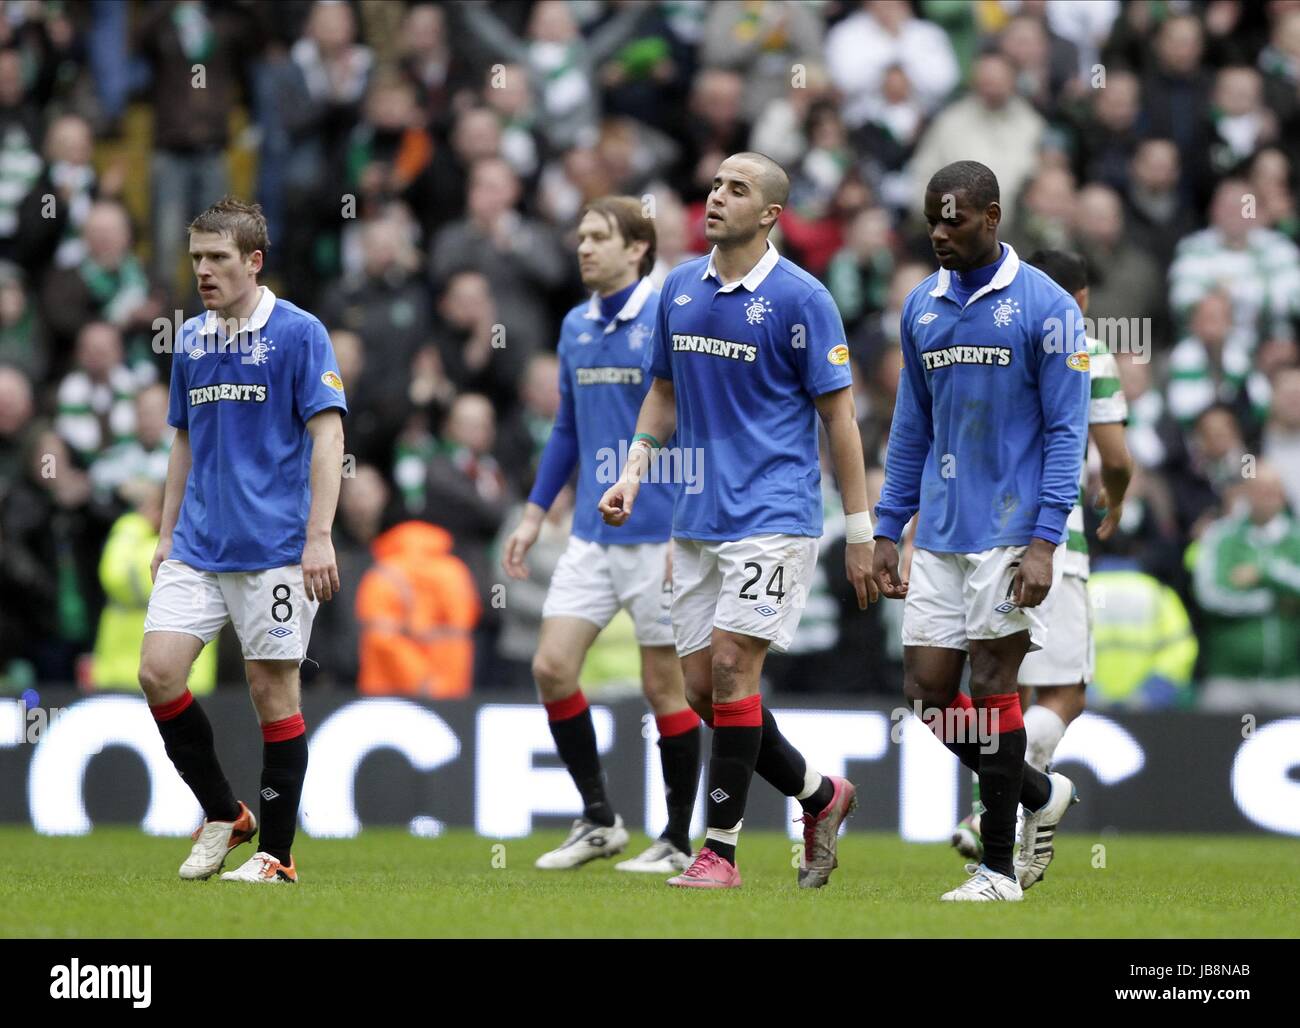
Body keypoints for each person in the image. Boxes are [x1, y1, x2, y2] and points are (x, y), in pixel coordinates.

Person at [599, 153, 878, 889]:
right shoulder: (681, 290)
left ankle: (718, 851)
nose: (717, 197)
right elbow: (663, 390)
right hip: (697, 516)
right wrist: (634, 471)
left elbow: (839, 419)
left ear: (770, 216)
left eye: (737, 189)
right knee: (700, 690)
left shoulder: (802, 299)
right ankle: (821, 794)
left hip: (776, 511)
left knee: (730, 668)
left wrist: (858, 529)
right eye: (716, 184)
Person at [871, 161, 1089, 901]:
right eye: (932, 218)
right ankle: (1033, 789)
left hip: (1010, 530)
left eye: (954, 219)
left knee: (994, 682)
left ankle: (999, 869)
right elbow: (911, 427)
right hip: (939, 530)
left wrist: (1044, 540)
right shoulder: (921, 308)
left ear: (992, 219)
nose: (939, 232)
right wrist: (885, 527)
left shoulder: (1049, 308)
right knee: (928, 693)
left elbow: (1068, 432)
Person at [137, 198, 347, 885]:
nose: (203, 270)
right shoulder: (192, 339)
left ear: (254, 261)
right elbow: (184, 440)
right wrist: (166, 534)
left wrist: (319, 535)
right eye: (196, 257)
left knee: (270, 691)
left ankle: (276, 856)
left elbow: (327, 435)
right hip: (198, 544)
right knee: (158, 672)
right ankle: (224, 812)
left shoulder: (300, 333)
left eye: (218, 257)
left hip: (277, 549)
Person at [502, 196, 701, 874]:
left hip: (660, 533)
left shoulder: (669, 316)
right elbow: (568, 429)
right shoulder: (574, 326)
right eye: (580, 236)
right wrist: (534, 513)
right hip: (590, 531)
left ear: (638, 249)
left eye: (598, 237)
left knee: (663, 688)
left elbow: (695, 424)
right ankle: (599, 819)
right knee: (551, 667)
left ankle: (676, 838)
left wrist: (689, 524)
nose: (583, 247)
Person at [950, 249, 1133, 863]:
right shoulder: (1087, 347)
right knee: (1065, 692)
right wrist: (1117, 499)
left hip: (981, 534)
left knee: (1003, 689)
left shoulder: (987, 336)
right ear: (1079, 299)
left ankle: (1000, 810)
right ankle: (1015, 799)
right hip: (1058, 544)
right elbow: (1116, 457)